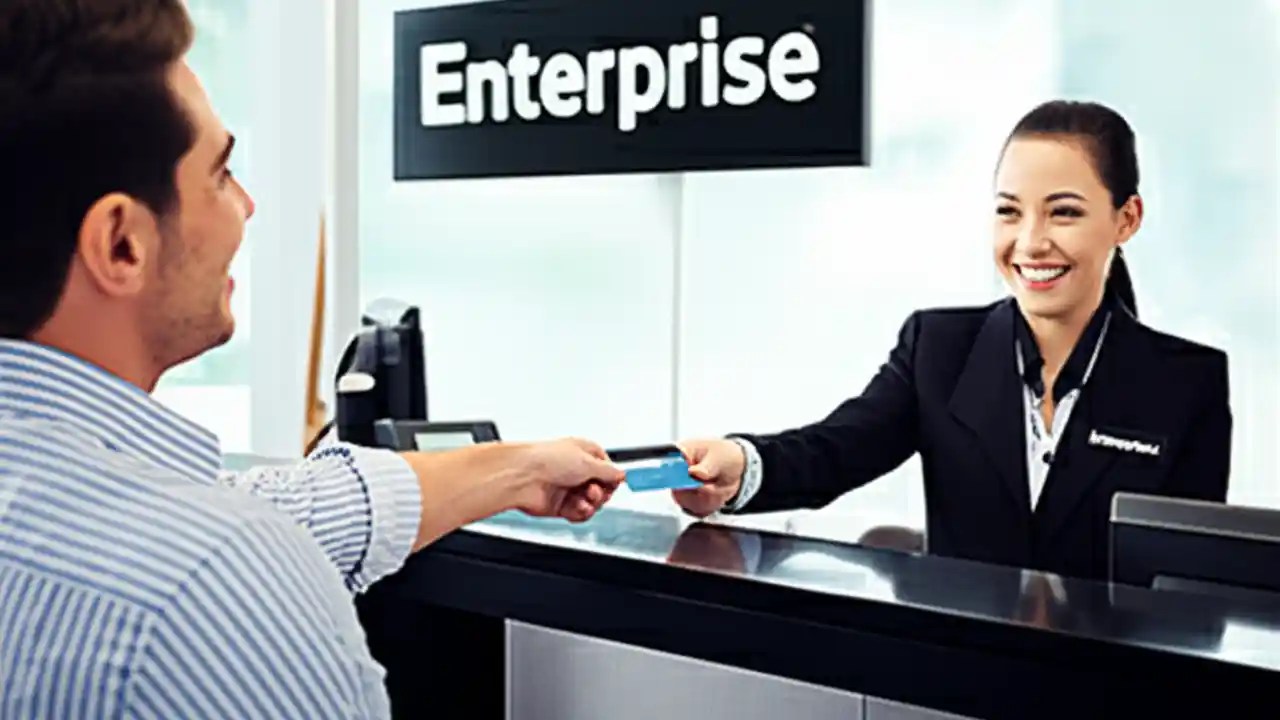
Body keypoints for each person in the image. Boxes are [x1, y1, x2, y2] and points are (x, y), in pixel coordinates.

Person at [0, 2, 623, 718]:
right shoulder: (220, 587)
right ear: (121, 244)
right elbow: (231, 546)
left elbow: (268, 508)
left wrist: (519, 469)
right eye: (221, 174)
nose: (248, 205)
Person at [675, 99, 1232, 582]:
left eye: (1064, 212)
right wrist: (740, 466)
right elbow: (836, 450)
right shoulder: (939, 348)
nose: (1031, 242)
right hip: (961, 683)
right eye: (1009, 212)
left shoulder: (1186, 383)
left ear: (1126, 218)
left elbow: (1188, 589)